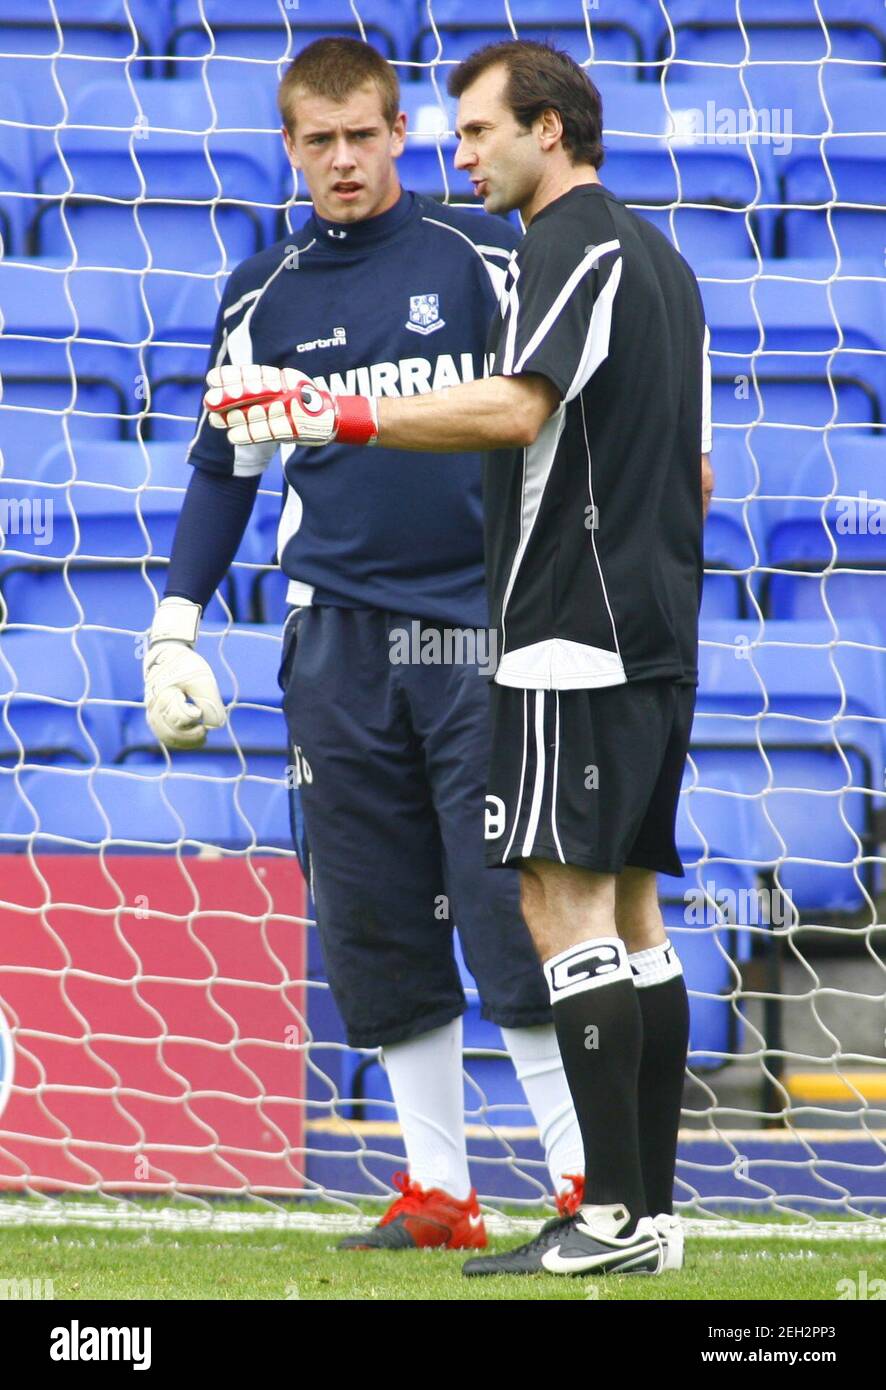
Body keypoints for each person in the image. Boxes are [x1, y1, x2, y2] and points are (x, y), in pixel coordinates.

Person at [204, 38, 715, 1278]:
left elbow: (516, 406)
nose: (459, 151)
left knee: (550, 908)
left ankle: (601, 1206)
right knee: (623, 913)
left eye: (475, 130)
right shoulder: (663, 258)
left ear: (548, 129)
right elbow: (694, 469)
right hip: (628, 632)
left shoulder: (556, 245)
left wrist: (339, 409)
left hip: (555, 631)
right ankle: (628, 1212)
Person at [143, 38, 586, 1252]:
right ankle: (438, 1193)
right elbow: (223, 471)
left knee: (510, 910)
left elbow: (570, 410)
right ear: (288, 147)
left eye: (363, 135)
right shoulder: (259, 292)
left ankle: (583, 1190)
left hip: (485, 631)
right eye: (317, 140)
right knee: (376, 920)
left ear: (401, 134)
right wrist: (173, 621)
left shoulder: (491, 255)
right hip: (333, 641)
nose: (342, 160)